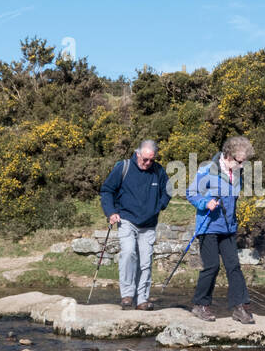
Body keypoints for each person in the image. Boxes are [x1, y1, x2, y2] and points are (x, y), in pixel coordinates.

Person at [186, 136, 255, 324]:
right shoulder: (207, 170)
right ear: (227, 155)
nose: (242, 166)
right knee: (212, 266)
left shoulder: (236, 173)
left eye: (244, 163)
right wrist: (204, 202)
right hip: (208, 226)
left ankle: (240, 307)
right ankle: (200, 305)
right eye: (240, 162)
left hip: (228, 227)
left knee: (234, 266)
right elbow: (191, 193)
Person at [100, 140, 171, 310]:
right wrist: (111, 212)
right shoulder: (123, 167)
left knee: (145, 262)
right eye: (145, 159)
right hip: (126, 220)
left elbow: (167, 191)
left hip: (148, 224)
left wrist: (158, 206)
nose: (147, 163)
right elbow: (107, 190)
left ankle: (142, 300)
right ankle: (127, 295)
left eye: (151, 160)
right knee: (128, 252)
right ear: (137, 154)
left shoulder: (159, 171)